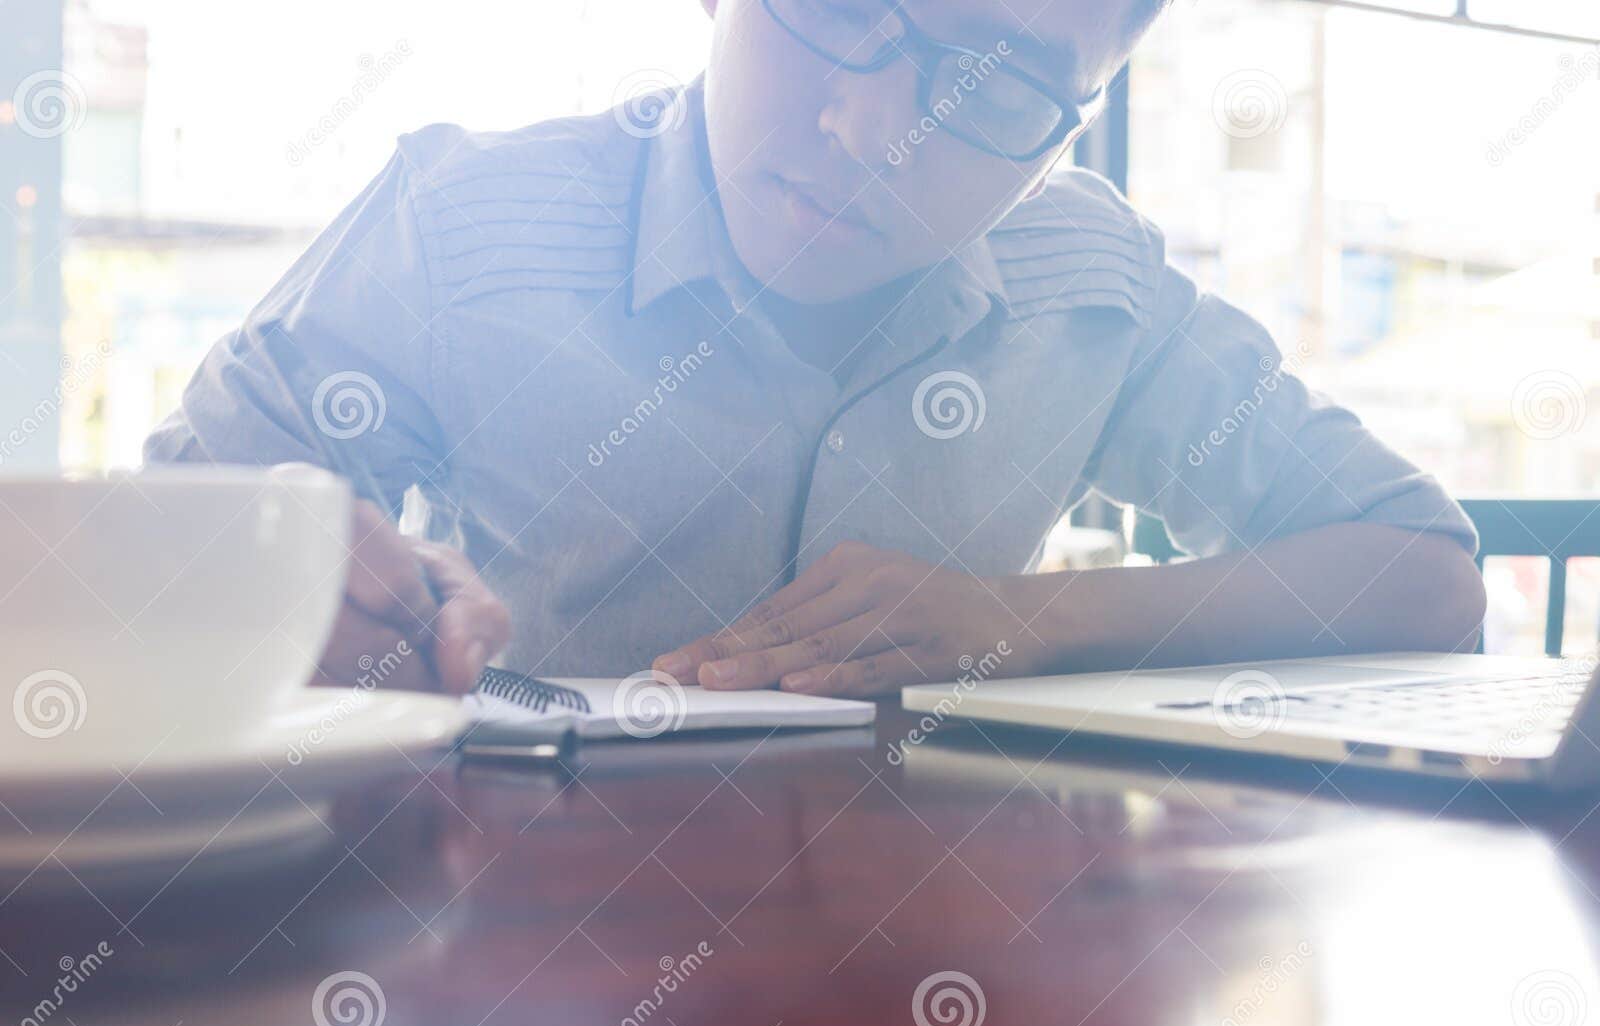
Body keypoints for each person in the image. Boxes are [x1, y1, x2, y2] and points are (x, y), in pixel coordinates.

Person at [144, 0, 1486, 698]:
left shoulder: (1093, 281)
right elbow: (165, 534)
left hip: (937, 966)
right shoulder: (458, 229)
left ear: (1078, 114)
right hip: (523, 958)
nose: (872, 129)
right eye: (843, 8)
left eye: (998, 86)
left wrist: (1020, 623)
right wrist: (287, 583)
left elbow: (1425, 576)